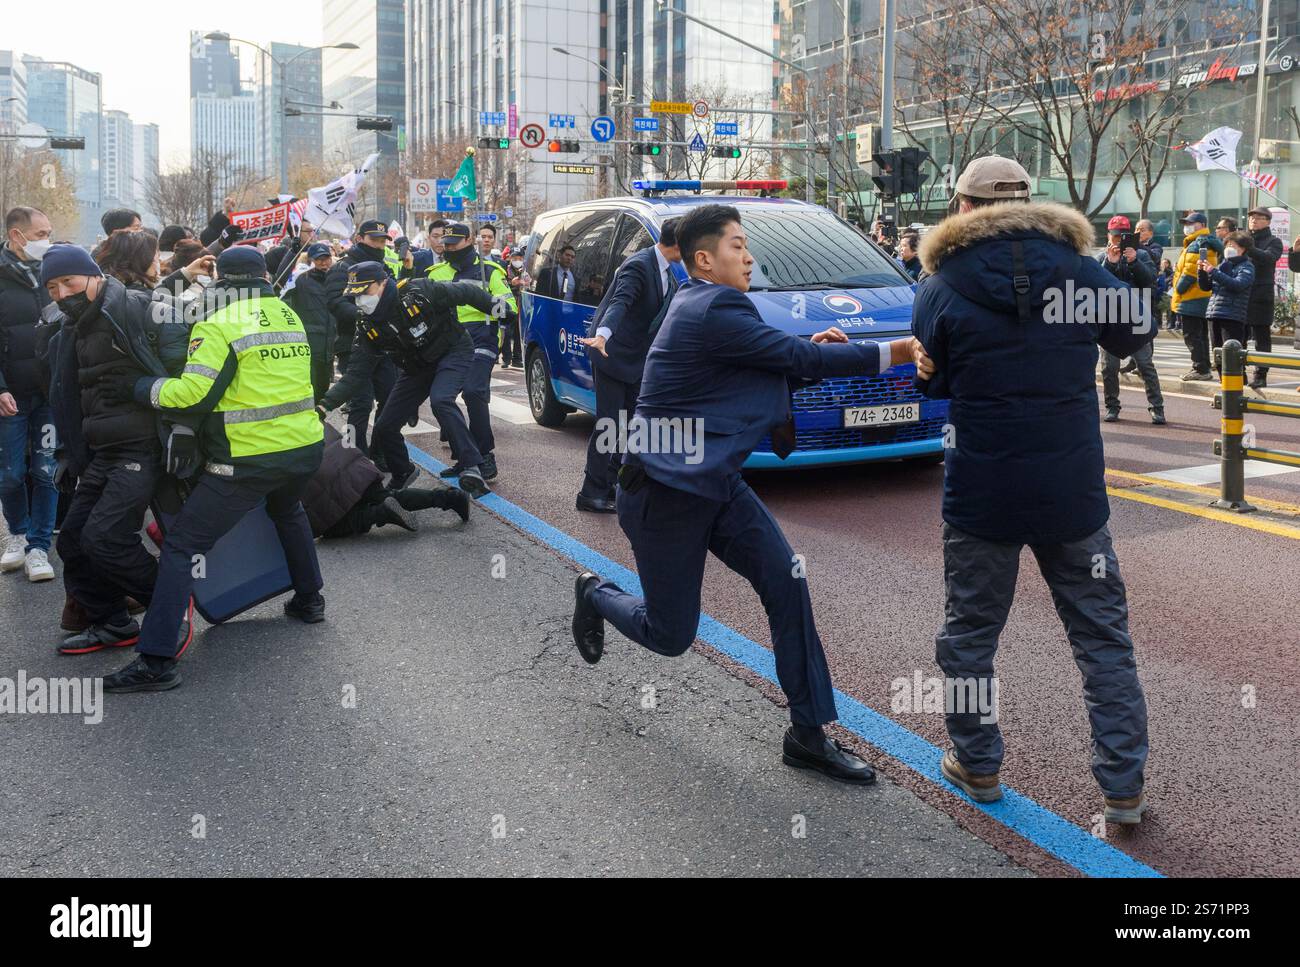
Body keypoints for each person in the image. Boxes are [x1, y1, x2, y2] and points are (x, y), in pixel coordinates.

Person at [571, 203, 930, 785]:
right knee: (671, 635)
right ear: (705, 260)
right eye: (738, 245)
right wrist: (900, 350)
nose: (751, 255)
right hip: (664, 492)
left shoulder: (706, 304)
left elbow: (765, 360)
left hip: (717, 483)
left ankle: (807, 735)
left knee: (787, 583)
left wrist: (812, 346)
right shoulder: (711, 303)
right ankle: (596, 593)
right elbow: (795, 357)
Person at [910, 155, 1155, 825]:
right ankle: (1123, 785)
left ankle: (978, 762)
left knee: (969, 636)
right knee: (1102, 636)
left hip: (981, 490)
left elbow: (934, 380)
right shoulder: (1077, 270)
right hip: (1071, 490)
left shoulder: (941, 282)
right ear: (1029, 200)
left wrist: (934, 366)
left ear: (963, 207)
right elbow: (1135, 333)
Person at [96, 245, 326, 692]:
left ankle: (157, 661)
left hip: (248, 458)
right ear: (262, 276)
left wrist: (139, 387)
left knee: (181, 547)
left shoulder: (218, 324)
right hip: (305, 447)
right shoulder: (287, 314)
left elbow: (193, 394)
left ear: (222, 280)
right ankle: (310, 599)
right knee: (288, 512)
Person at [39, 244, 197, 655]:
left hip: (141, 447)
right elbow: (64, 395)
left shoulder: (138, 308)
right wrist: (67, 455)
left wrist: (184, 429)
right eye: (52, 288)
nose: (61, 294)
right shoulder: (71, 327)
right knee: (72, 541)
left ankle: (168, 611)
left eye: (69, 282)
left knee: (105, 537)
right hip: (100, 451)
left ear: (93, 275)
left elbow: (188, 373)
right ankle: (113, 623)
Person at [319, 261, 496, 498]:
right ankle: (403, 471)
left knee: (441, 399)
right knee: (385, 425)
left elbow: (466, 292)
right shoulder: (366, 325)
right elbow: (355, 376)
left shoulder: (418, 291)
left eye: (365, 291)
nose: (360, 300)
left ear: (382, 283)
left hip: (452, 350)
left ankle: (472, 467)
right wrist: (323, 406)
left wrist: (499, 310)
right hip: (417, 367)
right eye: (355, 295)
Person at [575, 217, 682, 514]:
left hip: (636, 361)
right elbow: (618, 303)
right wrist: (602, 335)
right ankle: (590, 492)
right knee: (608, 424)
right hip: (611, 355)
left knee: (628, 426)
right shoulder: (639, 265)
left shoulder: (669, 274)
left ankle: (610, 486)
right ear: (679, 243)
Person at [426, 221, 517, 483]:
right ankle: (465, 457)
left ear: (470, 241)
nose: (449, 248)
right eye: (446, 244)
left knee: (474, 392)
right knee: (440, 399)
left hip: (482, 341)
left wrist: (490, 305)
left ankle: (485, 455)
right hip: (448, 344)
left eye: (454, 244)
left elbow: (509, 308)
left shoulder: (491, 272)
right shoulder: (435, 273)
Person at [0, 206, 57, 582]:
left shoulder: (53, 273)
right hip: (12, 398)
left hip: (51, 396)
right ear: (17, 236)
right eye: (40, 235)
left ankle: (39, 546)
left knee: (47, 471)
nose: (46, 241)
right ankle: (17, 535)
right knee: (9, 474)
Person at [302, 424, 470, 539]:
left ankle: (381, 513)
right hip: (349, 460)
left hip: (324, 479)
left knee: (331, 529)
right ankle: (449, 497)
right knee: (384, 495)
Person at [325, 220, 399, 455]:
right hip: (353, 344)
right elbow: (335, 303)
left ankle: (382, 451)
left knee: (389, 401)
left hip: (385, 345)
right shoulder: (342, 267)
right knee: (360, 403)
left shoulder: (384, 267)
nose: (378, 245)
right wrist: (364, 315)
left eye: (382, 240)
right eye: (373, 240)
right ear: (359, 238)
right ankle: (356, 455)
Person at [1098, 215, 1165, 425]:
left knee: (1145, 364)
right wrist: (1110, 263)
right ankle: (1112, 406)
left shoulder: (1142, 255)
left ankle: (1157, 408)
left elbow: (1150, 280)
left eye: (1123, 235)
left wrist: (1133, 260)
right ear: (1109, 235)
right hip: (1111, 320)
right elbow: (1097, 284)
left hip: (1136, 316)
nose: (1119, 240)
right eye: (1115, 235)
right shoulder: (1102, 257)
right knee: (1109, 366)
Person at [1171, 212, 1223, 381]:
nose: (1187, 226)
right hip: (1201, 295)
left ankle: (1200, 368)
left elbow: (1191, 269)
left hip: (1191, 295)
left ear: (1201, 224)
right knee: (1200, 335)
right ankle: (1203, 367)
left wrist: (1179, 288)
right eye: (1185, 223)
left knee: (1192, 335)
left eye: (1191, 223)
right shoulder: (1203, 241)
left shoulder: (1198, 243)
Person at [1198, 229, 1256, 377]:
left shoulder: (1246, 267)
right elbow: (1206, 287)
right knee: (1218, 357)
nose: (1229, 248)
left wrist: (1213, 272)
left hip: (1232, 317)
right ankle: (1225, 394)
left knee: (1233, 359)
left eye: (1233, 245)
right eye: (1227, 245)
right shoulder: (1222, 265)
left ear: (1243, 249)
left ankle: (1237, 394)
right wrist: (1202, 272)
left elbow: (1237, 285)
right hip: (1214, 314)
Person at [285, 241, 337, 402]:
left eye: (326, 258)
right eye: (319, 259)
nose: (323, 262)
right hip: (310, 343)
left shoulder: (337, 280)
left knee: (323, 385)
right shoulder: (300, 281)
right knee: (311, 385)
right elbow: (285, 302)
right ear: (312, 260)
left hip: (331, 342)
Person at [1244, 206, 1283, 389]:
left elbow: (1268, 258)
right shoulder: (1242, 240)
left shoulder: (1274, 241)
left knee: (1262, 338)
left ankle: (1260, 375)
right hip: (1241, 292)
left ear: (1268, 221)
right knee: (1238, 335)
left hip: (1261, 295)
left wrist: (1247, 247)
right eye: (1252, 217)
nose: (1254, 220)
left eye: (1259, 218)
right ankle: (1236, 373)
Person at [499, 247, 527, 367]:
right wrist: (512, 283)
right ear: (510, 259)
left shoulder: (524, 271)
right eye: (515, 258)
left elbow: (529, 283)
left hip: (521, 306)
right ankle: (506, 358)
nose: (517, 261)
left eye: (520, 258)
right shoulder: (504, 270)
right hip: (507, 305)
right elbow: (500, 285)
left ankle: (517, 359)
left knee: (518, 333)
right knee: (506, 333)